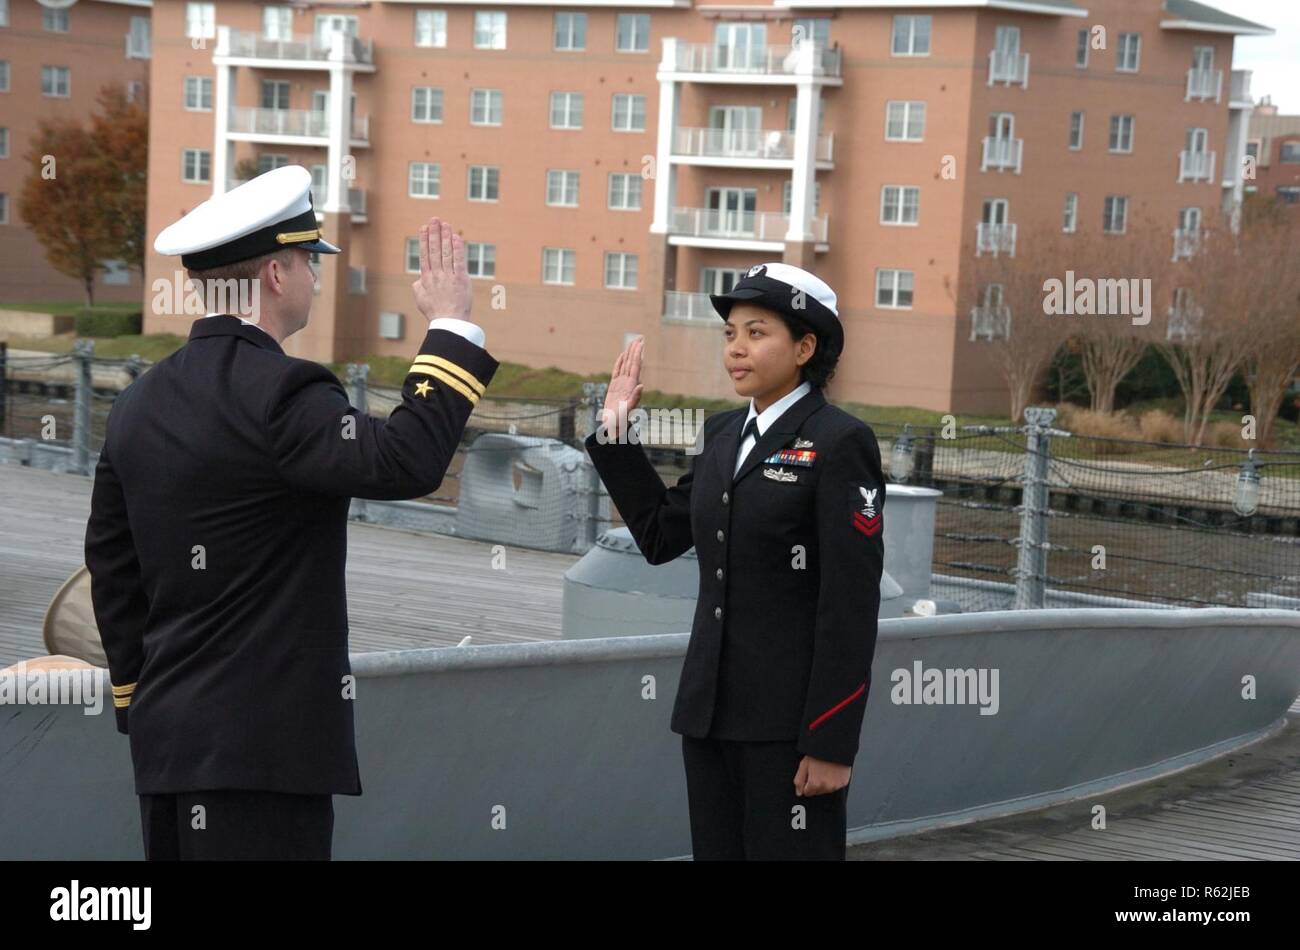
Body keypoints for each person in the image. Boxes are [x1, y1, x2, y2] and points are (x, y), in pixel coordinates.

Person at [83, 165, 499, 860]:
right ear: (276, 274)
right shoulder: (282, 392)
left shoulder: (136, 404)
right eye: (310, 259)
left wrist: (137, 697)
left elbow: (113, 571)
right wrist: (452, 325)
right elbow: (405, 461)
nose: (315, 275)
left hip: (167, 753)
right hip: (266, 761)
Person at [584, 262, 886, 860]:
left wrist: (831, 740)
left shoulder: (839, 441)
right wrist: (616, 437)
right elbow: (659, 534)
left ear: (805, 347)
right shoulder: (723, 434)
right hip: (710, 716)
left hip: (789, 729)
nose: (737, 349)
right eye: (729, 335)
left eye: (756, 332)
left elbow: (849, 602)